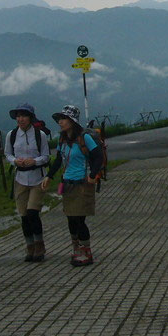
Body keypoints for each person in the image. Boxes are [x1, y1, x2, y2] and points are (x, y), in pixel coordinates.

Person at [42, 104, 103, 266]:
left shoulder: (84, 138)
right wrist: (49, 176)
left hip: (82, 184)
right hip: (67, 184)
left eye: (64, 119)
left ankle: (86, 251)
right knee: (71, 218)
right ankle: (77, 249)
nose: (61, 122)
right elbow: (58, 160)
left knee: (78, 218)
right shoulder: (62, 139)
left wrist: (92, 175)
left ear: (72, 121)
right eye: (60, 119)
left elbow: (98, 156)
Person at [5, 102, 51, 262]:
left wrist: (34, 161)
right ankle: (29, 246)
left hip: (37, 178)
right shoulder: (11, 135)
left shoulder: (40, 135)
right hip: (20, 179)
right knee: (24, 216)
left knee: (33, 213)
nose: (20, 119)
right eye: (18, 116)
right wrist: (15, 161)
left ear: (31, 118)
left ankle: (39, 245)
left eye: (23, 115)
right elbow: (8, 155)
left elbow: (46, 156)